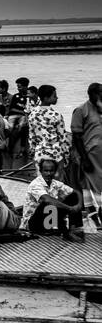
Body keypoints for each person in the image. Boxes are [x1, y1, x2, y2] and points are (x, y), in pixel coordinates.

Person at [21, 158, 85, 241]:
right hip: (34, 223)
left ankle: (73, 229)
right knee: (50, 202)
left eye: (51, 171)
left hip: (49, 218)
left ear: (55, 171)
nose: (48, 173)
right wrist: (69, 208)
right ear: (41, 171)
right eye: (46, 171)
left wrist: (79, 205)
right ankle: (64, 232)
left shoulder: (55, 183)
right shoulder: (35, 184)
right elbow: (48, 200)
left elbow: (76, 192)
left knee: (72, 196)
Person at [70, 83, 102, 224]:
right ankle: (95, 213)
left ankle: (93, 214)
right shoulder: (81, 110)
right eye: (100, 94)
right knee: (94, 184)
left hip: (100, 155)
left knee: (91, 184)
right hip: (88, 154)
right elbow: (76, 136)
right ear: (92, 94)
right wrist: (84, 159)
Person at [28, 85, 71, 166]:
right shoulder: (56, 115)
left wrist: (32, 151)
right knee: (57, 178)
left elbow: (32, 137)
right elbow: (62, 138)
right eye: (54, 96)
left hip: (40, 154)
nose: (57, 98)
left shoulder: (32, 114)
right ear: (46, 98)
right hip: (55, 154)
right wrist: (66, 154)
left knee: (41, 178)